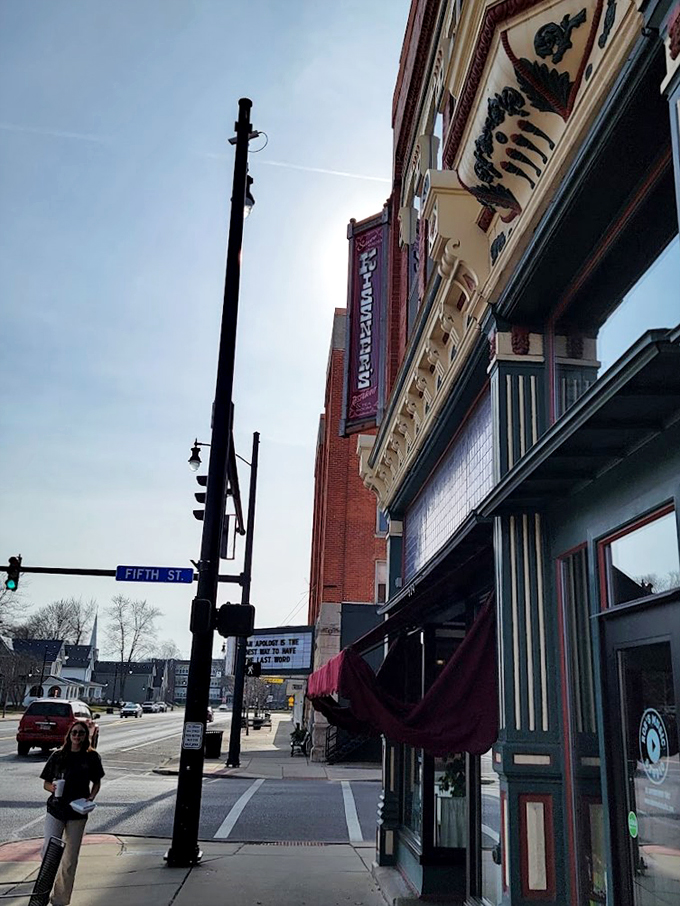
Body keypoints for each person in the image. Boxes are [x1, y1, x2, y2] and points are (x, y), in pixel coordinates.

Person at [40, 720, 104, 906]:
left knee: (69, 859)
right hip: (56, 809)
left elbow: (97, 782)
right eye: (74, 733)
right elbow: (45, 782)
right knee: (49, 854)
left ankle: (60, 899)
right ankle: (42, 894)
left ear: (86, 736)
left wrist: (90, 798)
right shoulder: (58, 756)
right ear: (69, 735)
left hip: (77, 811)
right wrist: (51, 787)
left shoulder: (91, 757)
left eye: (81, 733)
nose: (77, 736)